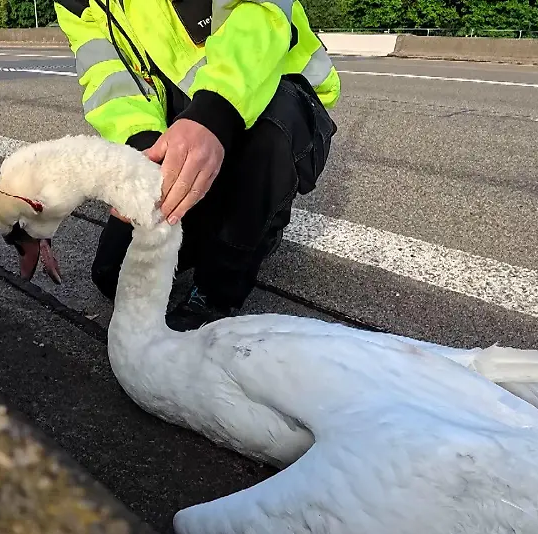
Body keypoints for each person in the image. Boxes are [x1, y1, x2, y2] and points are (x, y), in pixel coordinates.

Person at [53, 0, 341, 330]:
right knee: (114, 275)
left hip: (272, 85)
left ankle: (218, 290)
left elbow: (261, 13)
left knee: (267, 138)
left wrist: (215, 113)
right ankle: (223, 211)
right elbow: (107, 77)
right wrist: (145, 153)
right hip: (181, 118)